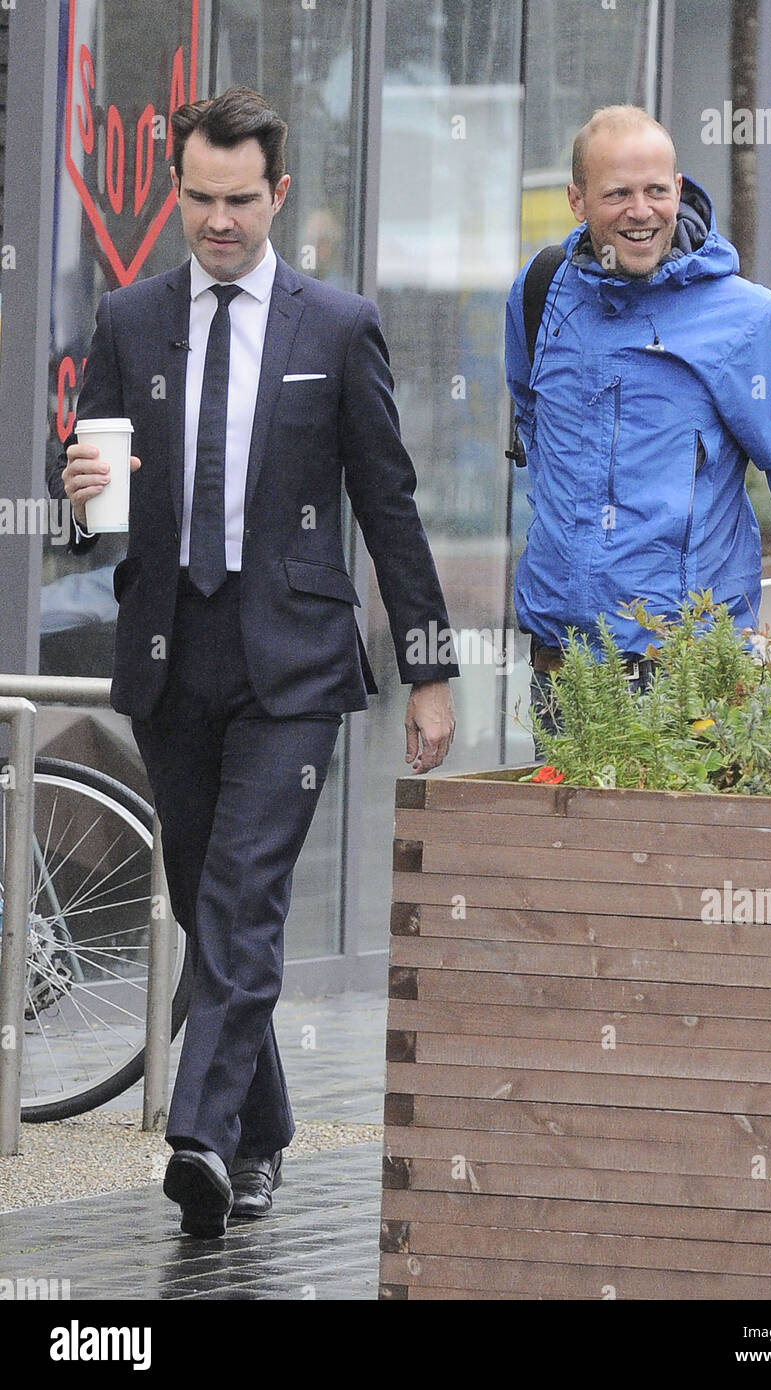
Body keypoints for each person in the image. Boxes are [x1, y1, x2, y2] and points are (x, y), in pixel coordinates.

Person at [50, 87, 458, 1238]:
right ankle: (263, 1129)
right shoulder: (129, 321)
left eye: (238, 200)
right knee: (204, 899)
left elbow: (389, 502)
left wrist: (427, 666)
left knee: (240, 900)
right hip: (172, 654)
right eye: (197, 198)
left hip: (296, 663)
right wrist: (78, 499)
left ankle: (200, 1136)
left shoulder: (336, 326)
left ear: (276, 194)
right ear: (175, 190)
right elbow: (88, 492)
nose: (217, 221)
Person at [505, 106, 771, 750]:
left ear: (680, 189)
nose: (642, 211)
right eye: (618, 194)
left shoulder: (749, 322)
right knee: (574, 853)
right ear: (576, 199)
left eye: (657, 190)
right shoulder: (540, 291)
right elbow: (535, 428)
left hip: (688, 679)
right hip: (563, 673)